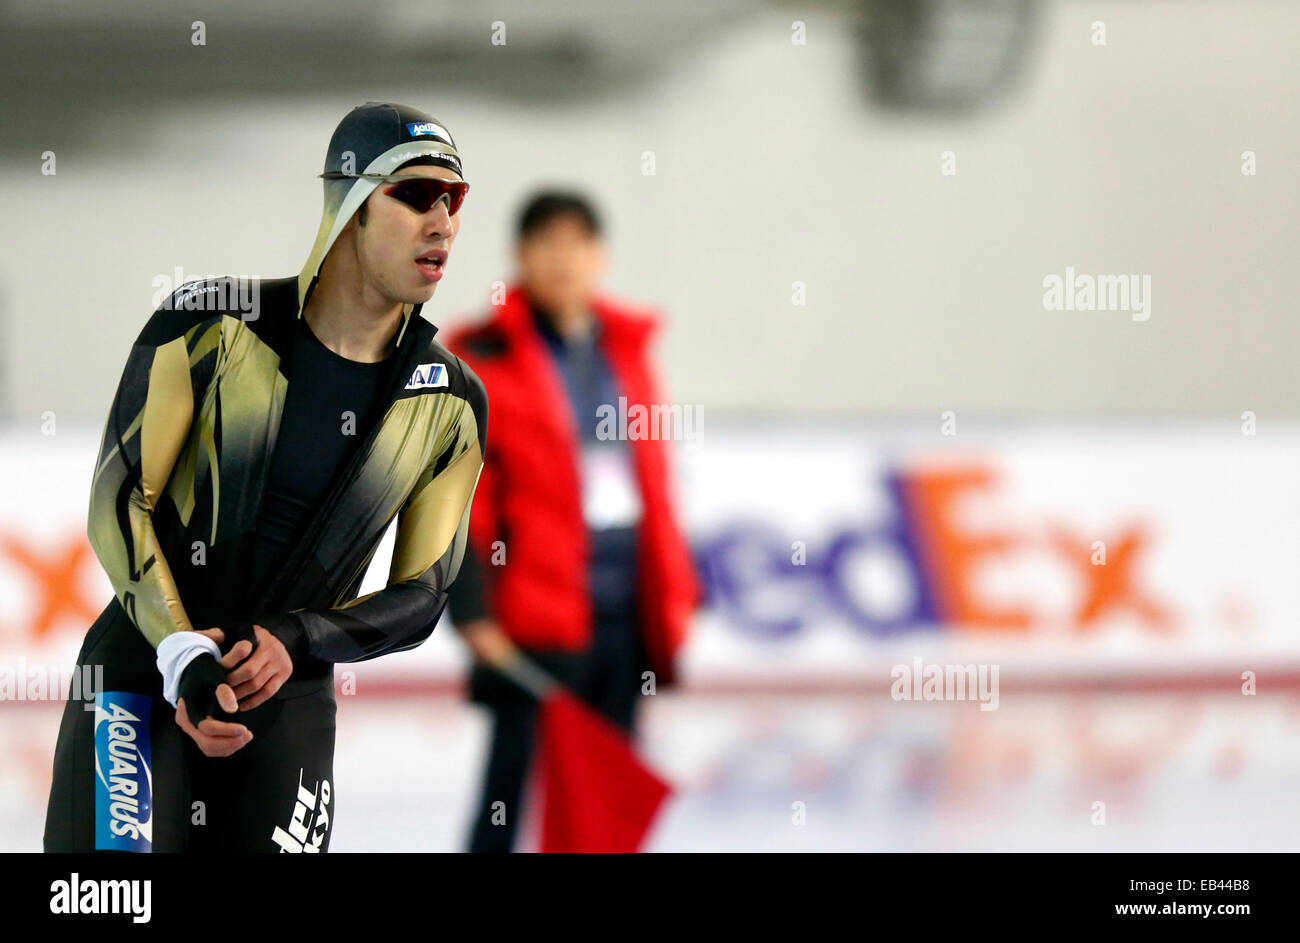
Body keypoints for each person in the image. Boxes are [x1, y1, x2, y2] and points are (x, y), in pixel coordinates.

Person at [43, 101, 487, 853]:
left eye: (454, 199)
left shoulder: (449, 401)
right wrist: (182, 652)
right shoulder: (211, 325)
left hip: (286, 701)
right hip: (143, 664)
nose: (441, 221)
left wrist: (296, 637)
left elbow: (425, 593)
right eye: (414, 195)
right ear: (348, 209)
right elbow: (119, 498)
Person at [443, 190, 700, 853]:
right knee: (507, 796)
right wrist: (472, 609)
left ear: (600, 255)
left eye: (577, 243)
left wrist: (675, 591)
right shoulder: (482, 353)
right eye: (546, 243)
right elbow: (457, 496)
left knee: (602, 798)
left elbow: (655, 482)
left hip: (623, 611)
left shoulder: (629, 351)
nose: (563, 259)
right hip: (533, 615)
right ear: (520, 255)